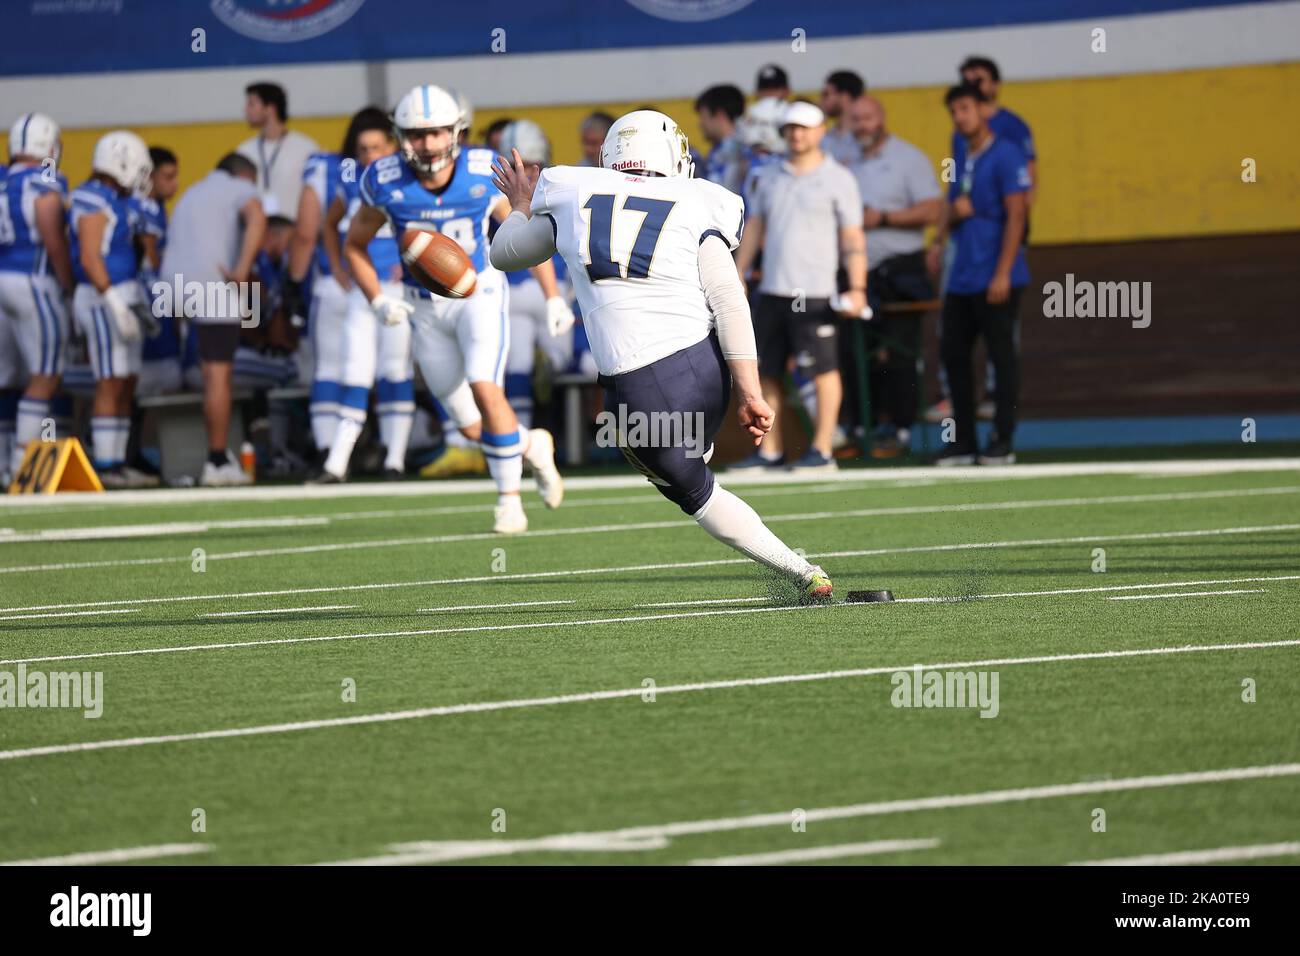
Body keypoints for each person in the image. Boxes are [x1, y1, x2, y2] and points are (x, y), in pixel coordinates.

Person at [489, 109, 834, 602]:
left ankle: (803, 573)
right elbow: (730, 300)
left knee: (694, 491)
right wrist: (750, 391)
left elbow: (504, 254)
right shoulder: (698, 201)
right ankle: (705, 445)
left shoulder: (573, 196)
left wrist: (522, 204)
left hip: (637, 392)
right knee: (690, 454)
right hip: (706, 368)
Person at [345, 84, 562, 534]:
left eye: (437, 133)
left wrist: (553, 295)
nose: (427, 144)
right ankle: (531, 443)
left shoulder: (483, 170)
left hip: (478, 293)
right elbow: (354, 244)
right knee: (469, 426)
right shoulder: (383, 180)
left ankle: (508, 501)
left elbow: (526, 233)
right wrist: (378, 298)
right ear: (400, 135)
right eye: (417, 134)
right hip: (425, 307)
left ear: (456, 132)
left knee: (486, 385)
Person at [731, 101, 867, 472]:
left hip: (817, 291)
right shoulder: (766, 175)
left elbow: (853, 238)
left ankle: (822, 449)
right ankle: (770, 452)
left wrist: (858, 287)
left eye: (805, 127)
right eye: (791, 127)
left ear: (822, 130)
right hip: (773, 289)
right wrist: (737, 275)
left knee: (823, 368)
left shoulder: (840, 178)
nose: (797, 133)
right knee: (766, 369)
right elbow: (755, 227)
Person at [928, 84, 1030, 466]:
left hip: (997, 274)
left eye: (966, 109)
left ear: (984, 110)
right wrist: (938, 240)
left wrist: (1003, 272)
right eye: (954, 111)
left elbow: (1017, 215)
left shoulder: (1006, 153)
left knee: (1002, 360)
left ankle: (1002, 440)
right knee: (954, 356)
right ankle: (963, 441)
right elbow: (951, 200)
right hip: (961, 275)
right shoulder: (959, 150)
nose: (960, 117)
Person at [313, 107, 415, 482]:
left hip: (399, 289)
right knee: (355, 371)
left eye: (376, 147)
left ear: (392, 146)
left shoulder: (409, 180)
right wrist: (339, 267)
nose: (370, 155)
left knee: (395, 370)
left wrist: (412, 264)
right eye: (363, 148)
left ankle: (395, 461)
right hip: (363, 291)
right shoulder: (352, 181)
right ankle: (336, 464)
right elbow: (329, 224)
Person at [160, 152, 267, 485]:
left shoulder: (192, 192)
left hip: (172, 287)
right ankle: (217, 460)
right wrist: (242, 270)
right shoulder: (239, 187)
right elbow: (258, 218)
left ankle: (216, 456)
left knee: (209, 370)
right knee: (220, 374)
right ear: (244, 175)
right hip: (213, 284)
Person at [846, 95, 942, 456]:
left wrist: (883, 218)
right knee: (855, 353)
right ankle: (862, 430)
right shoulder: (846, 162)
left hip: (902, 270)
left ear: (882, 118)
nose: (862, 125)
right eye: (856, 119)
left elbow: (934, 208)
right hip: (858, 274)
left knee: (901, 353)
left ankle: (900, 431)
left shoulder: (908, 157)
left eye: (868, 117)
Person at [69, 130, 157, 487]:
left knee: (126, 379)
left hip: (122, 294)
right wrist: (115, 302)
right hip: (101, 297)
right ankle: (106, 465)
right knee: (109, 379)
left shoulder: (118, 200)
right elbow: (90, 258)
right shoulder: (92, 198)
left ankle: (117, 461)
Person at [0, 112, 73, 483]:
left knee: (7, 378)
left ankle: (4, 463)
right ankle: (22, 468)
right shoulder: (46, 178)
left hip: (2, 280)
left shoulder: (2, 180)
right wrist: (67, 280)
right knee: (44, 374)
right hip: (33, 279)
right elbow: (50, 226)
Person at [237, 82, 320, 220]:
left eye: (251, 104)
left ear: (270, 108)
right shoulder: (243, 151)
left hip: (295, 232)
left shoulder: (306, 149)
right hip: (258, 233)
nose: (245, 110)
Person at [694, 84, 748, 195]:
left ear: (720, 115)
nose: (701, 124)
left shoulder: (742, 152)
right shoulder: (718, 150)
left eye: (703, 117)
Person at [819, 70, 866, 167]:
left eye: (826, 94)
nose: (820, 100)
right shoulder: (823, 138)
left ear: (844, 97)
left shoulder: (867, 138)